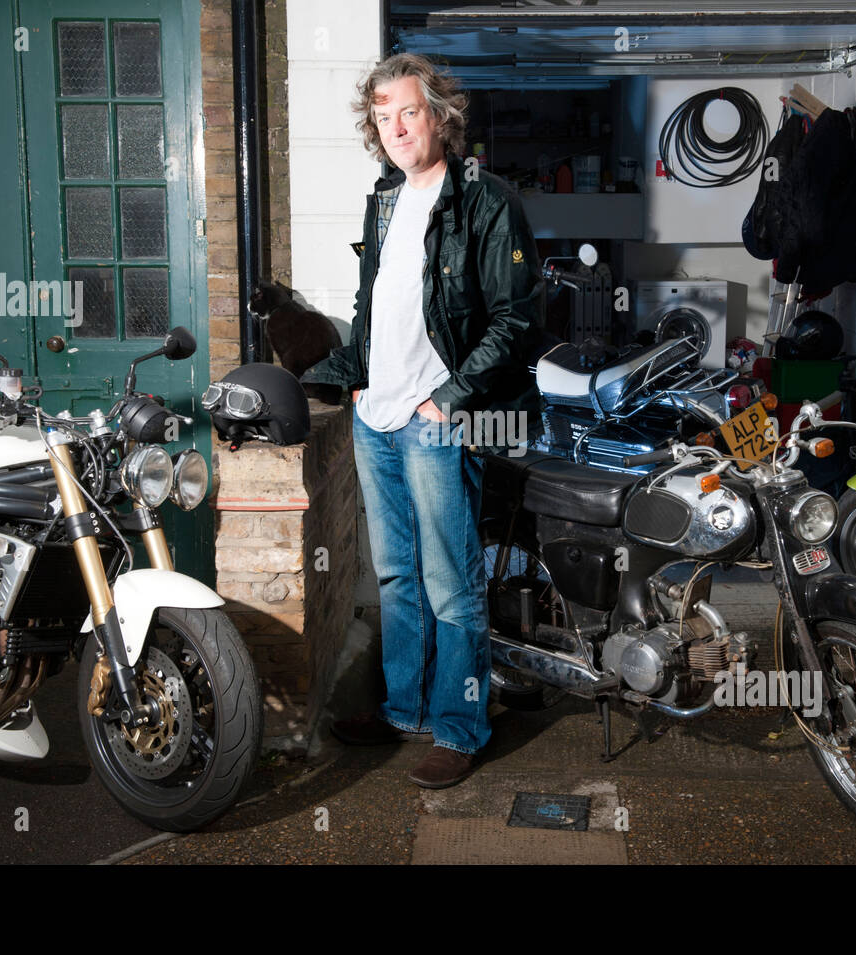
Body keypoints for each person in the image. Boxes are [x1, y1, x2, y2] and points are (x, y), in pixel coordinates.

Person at [302, 53, 541, 789]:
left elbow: (517, 316)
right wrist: (341, 377)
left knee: (450, 580)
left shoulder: (486, 201)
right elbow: (372, 308)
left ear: (439, 114)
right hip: (377, 416)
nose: (397, 127)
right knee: (398, 574)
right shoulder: (383, 198)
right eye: (383, 116)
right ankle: (403, 707)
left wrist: (451, 398)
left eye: (409, 111)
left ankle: (461, 724)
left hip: (437, 420)